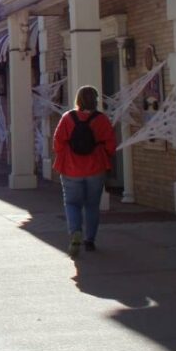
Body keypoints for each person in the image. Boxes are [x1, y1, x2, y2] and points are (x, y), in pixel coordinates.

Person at [52, 85, 117, 259]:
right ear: (95, 100)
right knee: (92, 205)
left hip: (71, 169)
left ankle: (75, 232)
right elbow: (111, 145)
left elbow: (57, 143)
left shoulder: (68, 118)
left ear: (78, 100)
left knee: (72, 203)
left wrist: (67, 153)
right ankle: (90, 240)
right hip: (96, 168)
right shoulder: (102, 120)